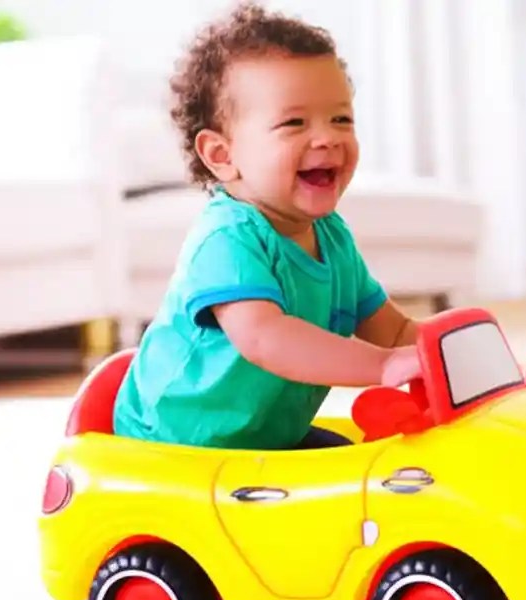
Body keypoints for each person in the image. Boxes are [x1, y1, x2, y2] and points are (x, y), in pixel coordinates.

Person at [112, 2, 425, 451]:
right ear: (222, 155)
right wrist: (382, 367)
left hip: (264, 439)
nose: (327, 137)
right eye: (294, 122)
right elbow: (266, 337)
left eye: (341, 119)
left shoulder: (332, 237)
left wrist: (446, 352)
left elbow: (392, 331)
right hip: (173, 447)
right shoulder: (228, 239)